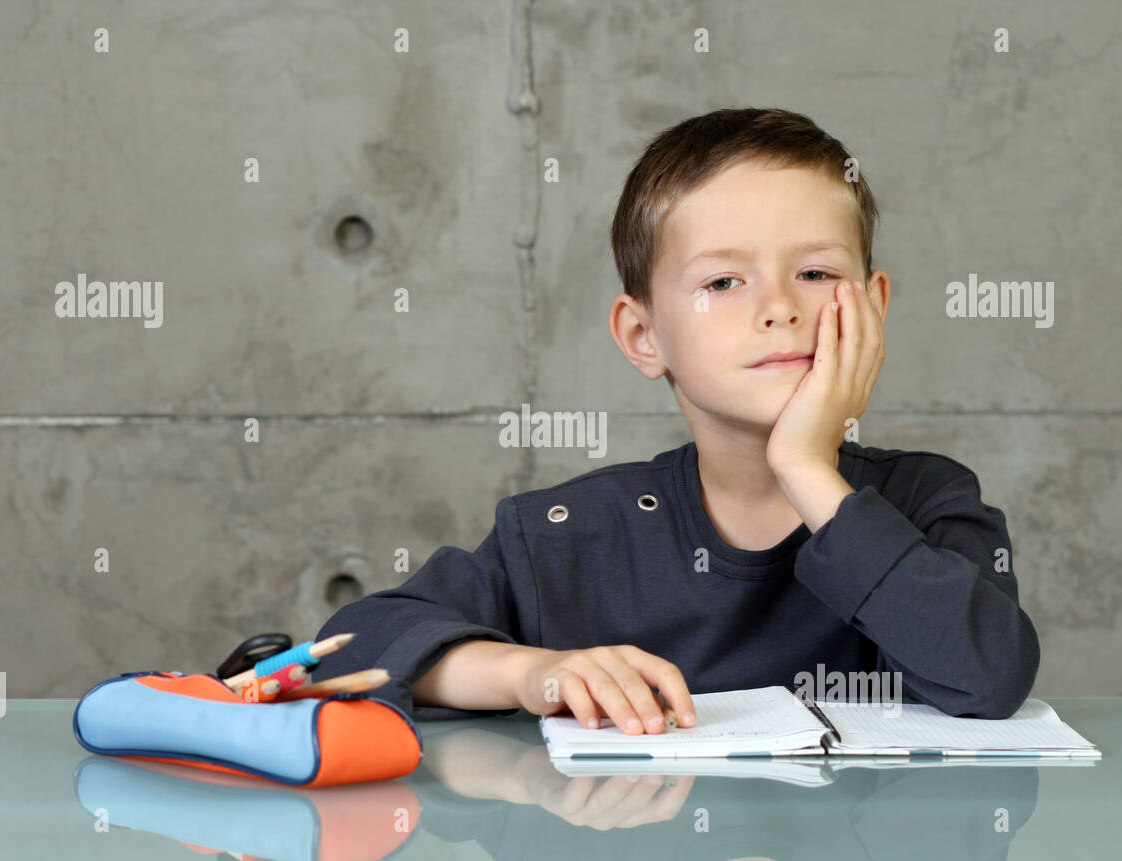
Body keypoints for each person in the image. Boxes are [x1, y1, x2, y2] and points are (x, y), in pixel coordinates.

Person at [308, 107, 1040, 733]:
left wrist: (808, 470)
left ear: (873, 306)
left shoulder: (929, 503)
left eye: (815, 273)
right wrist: (534, 674)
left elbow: (990, 675)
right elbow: (350, 647)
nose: (779, 307)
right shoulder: (568, 534)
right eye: (723, 281)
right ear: (643, 337)